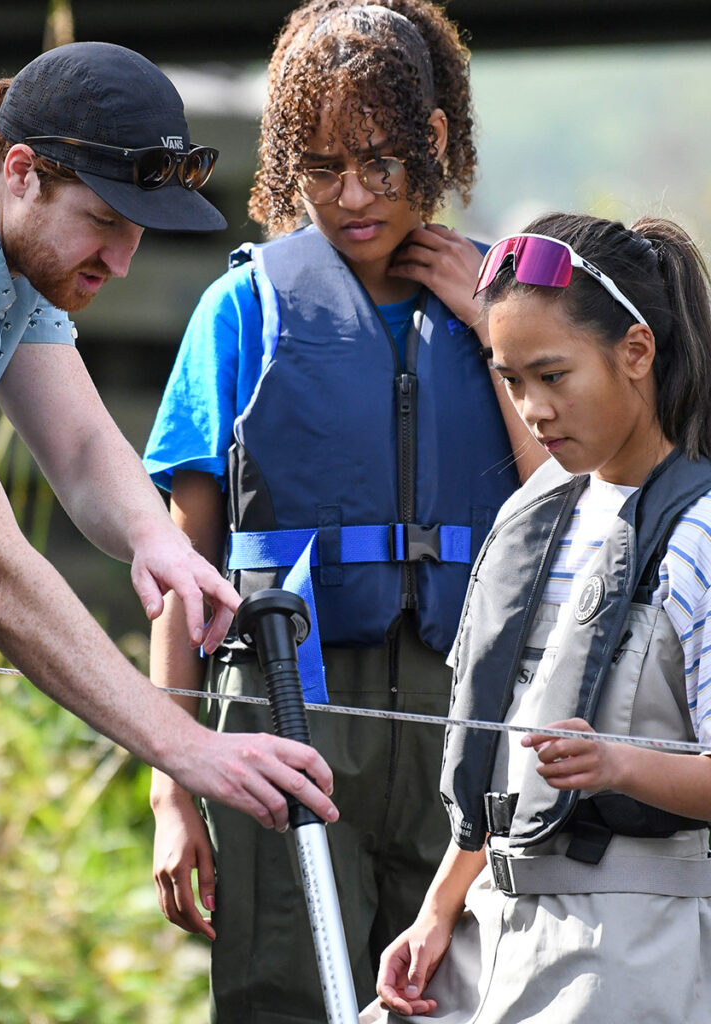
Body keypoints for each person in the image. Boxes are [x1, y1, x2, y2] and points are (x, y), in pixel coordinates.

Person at [0, 40, 339, 831]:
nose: (121, 263)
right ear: (22, 170)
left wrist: (154, 540)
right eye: (103, 222)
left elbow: (83, 445)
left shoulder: (4, 213)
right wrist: (186, 748)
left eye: (138, 231)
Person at [142, 1, 543, 1019]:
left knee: (463, 996)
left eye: (379, 162)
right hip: (287, 711)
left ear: (433, 140)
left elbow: (570, 507)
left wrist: (492, 329)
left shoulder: (514, 306)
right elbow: (182, 566)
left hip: (466, 721)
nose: (352, 196)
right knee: (288, 994)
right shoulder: (240, 309)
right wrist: (169, 785)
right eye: (321, 168)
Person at [368, 213, 711, 1024]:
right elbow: (502, 774)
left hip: (635, 947)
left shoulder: (700, 535)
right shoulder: (535, 510)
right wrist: (439, 909)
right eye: (513, 380)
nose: (532, 410)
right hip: (490, 925)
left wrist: (618, 765)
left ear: (637, 352)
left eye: (553, 375)